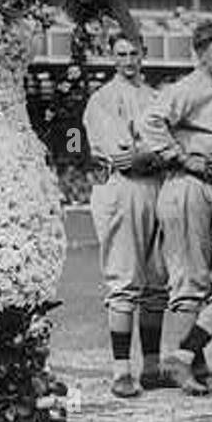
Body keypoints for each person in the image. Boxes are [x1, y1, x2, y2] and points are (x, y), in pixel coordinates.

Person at [141, 20, 212, 395]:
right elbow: (150, 121)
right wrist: (178, 156)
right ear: (200, 54)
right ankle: (190, 366)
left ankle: (185, 356)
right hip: (190, 187)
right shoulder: (189, 87)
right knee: (191, 283)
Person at [82, 32, 170, 398]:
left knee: (157, 280)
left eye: (134, 53)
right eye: (121, 53)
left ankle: (150, 368)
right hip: (122, 187)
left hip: (158, 187)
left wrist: (155, 152)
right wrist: (156, 151)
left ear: (144, 54)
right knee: (124, 279)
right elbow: (125, 156)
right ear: (111, 55)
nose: (129, 59)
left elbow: (164, 148)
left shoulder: (157, 97)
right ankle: (121, 371)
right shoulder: (102, 99)